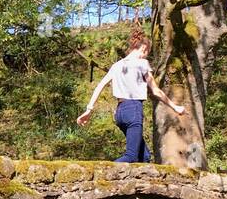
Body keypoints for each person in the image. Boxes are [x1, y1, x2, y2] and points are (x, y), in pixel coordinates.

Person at [76, 28, 185, 162]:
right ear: (143, 48)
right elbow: (156, 91)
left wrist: (89, 110)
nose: (146, 56)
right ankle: (100, 175)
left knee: (144, 157)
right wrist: (175, 107)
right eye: (147, 53)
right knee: (131, 156)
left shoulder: (116, 65)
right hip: (133, 109)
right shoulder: (142, 63)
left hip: (120, 113)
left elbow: (100, 86)